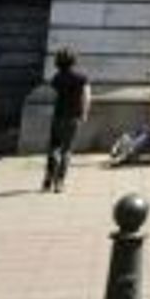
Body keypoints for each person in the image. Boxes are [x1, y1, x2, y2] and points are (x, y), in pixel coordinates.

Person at [43, 48, 90, 193]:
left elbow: (51, 96)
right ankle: (60, 183)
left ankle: (48, 180)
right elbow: (86, 97)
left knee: (54, 148)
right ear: (73, 60)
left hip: (58, 116)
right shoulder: (82, 78)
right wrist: (84, 113)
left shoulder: (56, 78)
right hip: (73, 117)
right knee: (66, 150)